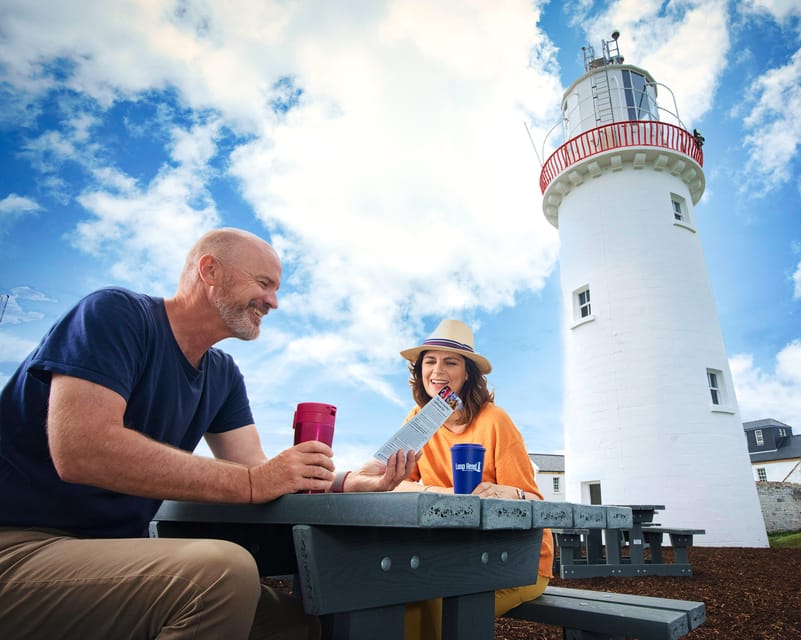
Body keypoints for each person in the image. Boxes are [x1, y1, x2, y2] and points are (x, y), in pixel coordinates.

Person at [0, 227, 417, 640]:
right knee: (222, 573)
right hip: (19, 547)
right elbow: (82, 450)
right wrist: (254, 482)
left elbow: (258, 469)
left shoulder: (223, 375)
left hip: (105, 552)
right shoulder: (115, 314)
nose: (273, 301)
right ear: (210, 270)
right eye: (264, 283)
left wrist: (350, 483)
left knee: (292, 624)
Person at [394, 319, 554, 640]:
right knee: (398, 603)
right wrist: (444, 494)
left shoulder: (495, 420)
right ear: (419, 370)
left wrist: (511, 493)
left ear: (467, 373)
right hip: (455, 558)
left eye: (450, 362)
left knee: (439, 608)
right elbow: (393, 482)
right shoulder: (418, 420)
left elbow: (534, 502)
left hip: (519, 561)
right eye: (430, 361)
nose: (438, 370)